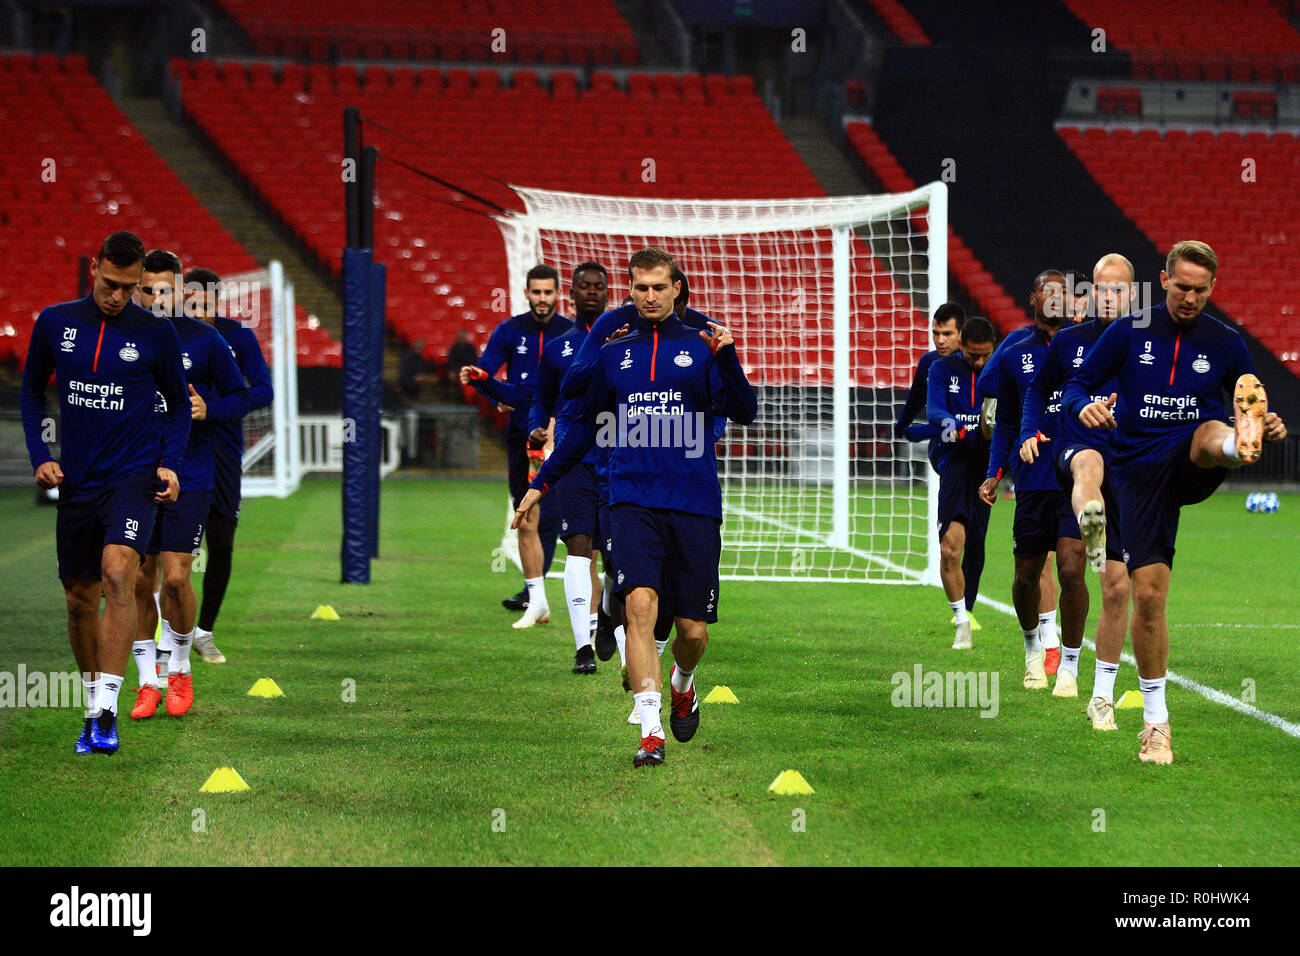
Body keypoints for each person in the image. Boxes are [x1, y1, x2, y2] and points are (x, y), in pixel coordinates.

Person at [515, 248, 758, 767]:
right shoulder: (611, 352)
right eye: (640, 288)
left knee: (693, 631)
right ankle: (650, 732)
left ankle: (683, 682)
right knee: (640, 607)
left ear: (676, 289)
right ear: (630, 291)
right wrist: (541, 483)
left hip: (693, 502)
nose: (649, 296)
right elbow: (580, 427)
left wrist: (729, 356)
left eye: (658, 287)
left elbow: (745, 411)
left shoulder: (704, 345)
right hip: (630, 499)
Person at [1062, 240, 1285, 763]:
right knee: (1148, 595)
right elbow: (1076, 384)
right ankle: (1153, 723)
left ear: (1213, 288)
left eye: (1200, 290)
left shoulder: (1227, 344)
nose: (1190, 297)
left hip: (1190, 460)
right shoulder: (1127, 332)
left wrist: (1263, 427)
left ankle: (1236, 444)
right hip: (1136, 473)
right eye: (1181, 287)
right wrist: (1085, 405)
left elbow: (1248, 394)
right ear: (1163, 281)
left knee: (1211, 429)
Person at [19, 231, 190, 754]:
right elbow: (30, 391)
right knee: (78, 598)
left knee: (120, 571)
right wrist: (41, 456)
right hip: (78, 481)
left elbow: (179, 406)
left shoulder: (155, 334)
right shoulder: (54, 322)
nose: (117, 296)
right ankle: (92, 706)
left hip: (133, 478)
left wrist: (170, 464)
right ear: (94, 268)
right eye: (110, 283)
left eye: (129, 287)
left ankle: (108, 711)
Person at [1017, 253, 1135, 708]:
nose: (1108, 297)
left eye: (1118, 289)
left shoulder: (1149, 341)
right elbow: (1038, 389)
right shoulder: (1069, 341)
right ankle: (1066, 663)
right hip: (1071, 458)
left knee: (1123, 583)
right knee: (1067, 563)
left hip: (1126, 463)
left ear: (1132, 292)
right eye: (1101, 289)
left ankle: (1077, 664)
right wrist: (1029, 431)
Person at [131, 267, 249, 719]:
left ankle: (179, 668)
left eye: (167, 288)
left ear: (183, 290)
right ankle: (147, 682)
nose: (159, 296)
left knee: (177, 577)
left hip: (194, 472)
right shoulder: (128, 336)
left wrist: (209, 407)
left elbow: (242, 397)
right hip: (136, 473)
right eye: (150, 288)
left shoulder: (205, 339)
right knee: (141, 578)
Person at [462, 265, 573, 624]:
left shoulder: (570, 332)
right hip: (519, 435)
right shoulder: (510, 330)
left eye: (548, 292)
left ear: (558, 294)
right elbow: (486, 369)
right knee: (523, 512)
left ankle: (534, 594)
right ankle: (535, 594)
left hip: (558, 433)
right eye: (536, 292)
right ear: (526, 293)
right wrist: (490, 386)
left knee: (550, 516)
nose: (542, 299)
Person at [979, 270, 1071, 690]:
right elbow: (1005, 421)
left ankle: (1069, 664)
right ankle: (1033, 645)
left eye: (1062, 292)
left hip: (1076, 480)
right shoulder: (1017, 350)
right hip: (1032, 483)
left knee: (1075, 569)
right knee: (1025, 576)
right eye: (1047, 291)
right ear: (1032, 297)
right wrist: (994, 473)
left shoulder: (1087, 347)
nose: (1054, 298)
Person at [528, 262, 611, 672]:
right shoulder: (557, 347)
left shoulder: (627, 342)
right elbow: (541, 400)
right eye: (584, 286)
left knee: (614, 555)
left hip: (618, 458)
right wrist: (535, 428)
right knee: (579, 547)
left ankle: (607, 619)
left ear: (609, 292)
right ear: (572, 294)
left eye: (598, 286)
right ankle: (583, 648)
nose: (591, 292)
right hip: (574, 459)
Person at [193, 267, 273, 665]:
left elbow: (263, 390)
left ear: (218, 302)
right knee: (169, 553)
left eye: (207, 303)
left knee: (221, 543)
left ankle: (204, 632)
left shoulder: (237, 337)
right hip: (179, 453)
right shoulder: (168, 337)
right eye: (193, 303)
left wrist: (215, 409)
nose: (201, 311)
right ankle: (161, 637)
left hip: (223, 453)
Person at [897, 303, 986, 629]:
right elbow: (918, 401)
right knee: (956, 523)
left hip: (979, 451)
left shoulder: (984, 364)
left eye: (946, 333)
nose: (939, 339)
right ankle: (962, 611)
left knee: (977, 535)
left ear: (962, 336)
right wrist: (904, 425)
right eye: (935, 332)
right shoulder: (932, 364)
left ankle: (968, 608)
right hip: (948, 449)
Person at [925, 317, 996, 650]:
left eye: (984, 355)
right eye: (972, 356)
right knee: (950, 546)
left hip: (987, 465)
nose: (979, 362)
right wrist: (949, 420)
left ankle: (967, 607)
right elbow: (934, 408)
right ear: (962, 345)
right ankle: (962, 623)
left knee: (976, 542)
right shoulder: (942, 369)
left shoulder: (1000, 368)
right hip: (954, 461)